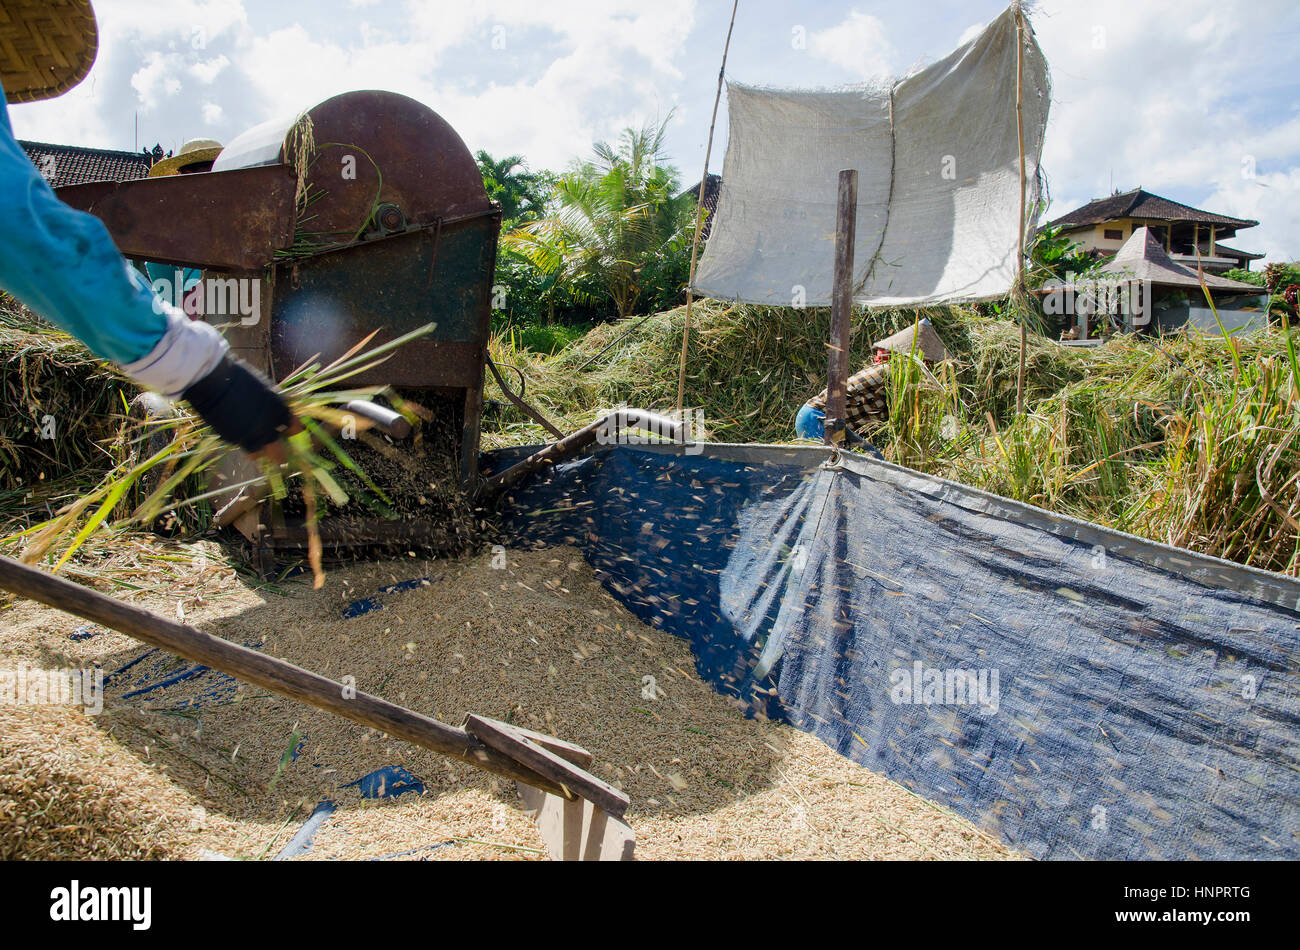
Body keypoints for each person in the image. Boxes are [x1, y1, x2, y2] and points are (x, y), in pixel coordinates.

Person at [0, 1, 292, 461]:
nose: (203, 191)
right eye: (191, 176)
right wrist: (202, 373)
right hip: (153, 366)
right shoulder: (153, 247)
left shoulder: (246, 247)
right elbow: (23, 224)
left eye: (212, 175)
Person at [794, 318, 951, 454]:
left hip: (826, 420)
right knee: (825, 471)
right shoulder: (891, 374)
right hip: (818, 418)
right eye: (928, 363)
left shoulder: (891, 373)